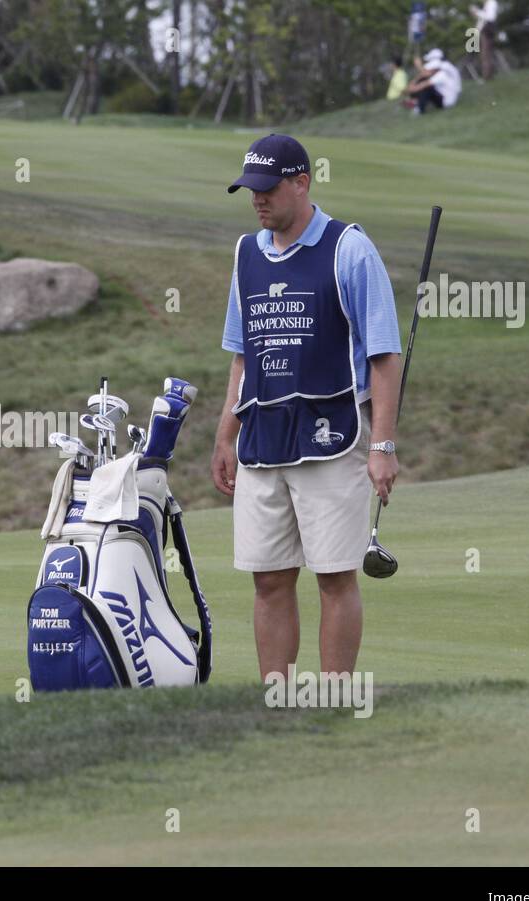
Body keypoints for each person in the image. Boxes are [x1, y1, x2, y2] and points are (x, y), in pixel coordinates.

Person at [212, 134, 402, 680]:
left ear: (302, 182)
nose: (258, 199)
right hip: (262, 441)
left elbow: (384, 356)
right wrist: (225, 435)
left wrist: (383, 446)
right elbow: (243, 356)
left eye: (268, 188)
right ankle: (279, 697)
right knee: (268, 578)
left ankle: (335, 696)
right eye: (250, 189)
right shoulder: (247, 254)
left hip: (332, 437)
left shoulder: (349, 248)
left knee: (334, 576)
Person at [407, 48, 461, 113]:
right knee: (425, 84)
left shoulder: (442, 73)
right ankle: (415, 102)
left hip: (447, 101)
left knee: (426, 88)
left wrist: (411, 88)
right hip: (450, 97)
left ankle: (419, 109)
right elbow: (424, 74)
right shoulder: (446, 66)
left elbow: (423, 83)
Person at [471, 1, 500, 80]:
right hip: (485, 30)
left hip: (488, 30)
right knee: (485, 54)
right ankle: (488, 76)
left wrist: (477, 12)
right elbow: (482, 21)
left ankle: (487, 76)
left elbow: (490, 17)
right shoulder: (487, 4)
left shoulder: (491, 2)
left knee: (486, 54)